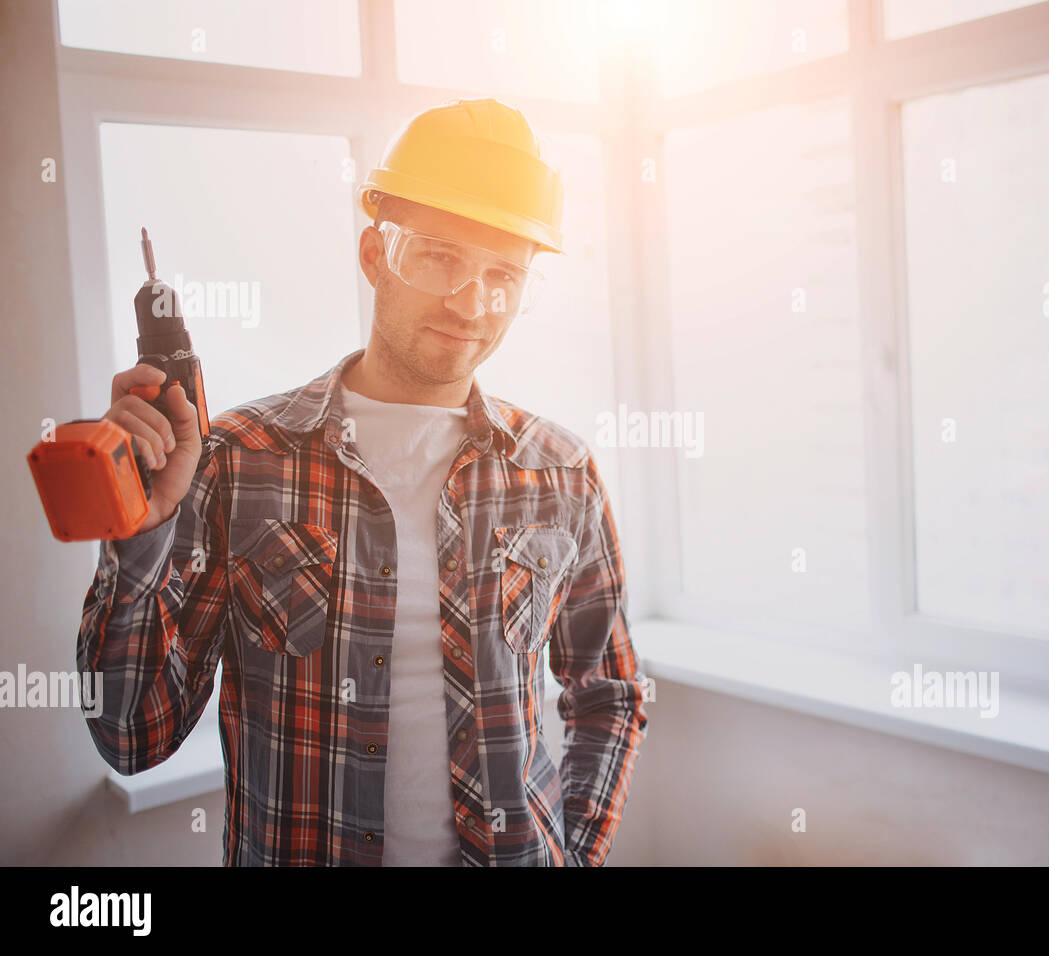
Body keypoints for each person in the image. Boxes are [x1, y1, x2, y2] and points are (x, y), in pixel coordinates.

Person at [78, 97, 648, 866]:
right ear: (376, 254)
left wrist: (574, 851)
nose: (470, 303)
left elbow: (608, 693)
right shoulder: (237, 460)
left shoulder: (560, 471)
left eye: (502, 276)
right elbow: (129, 735)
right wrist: (139, 534)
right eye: (439, 256)